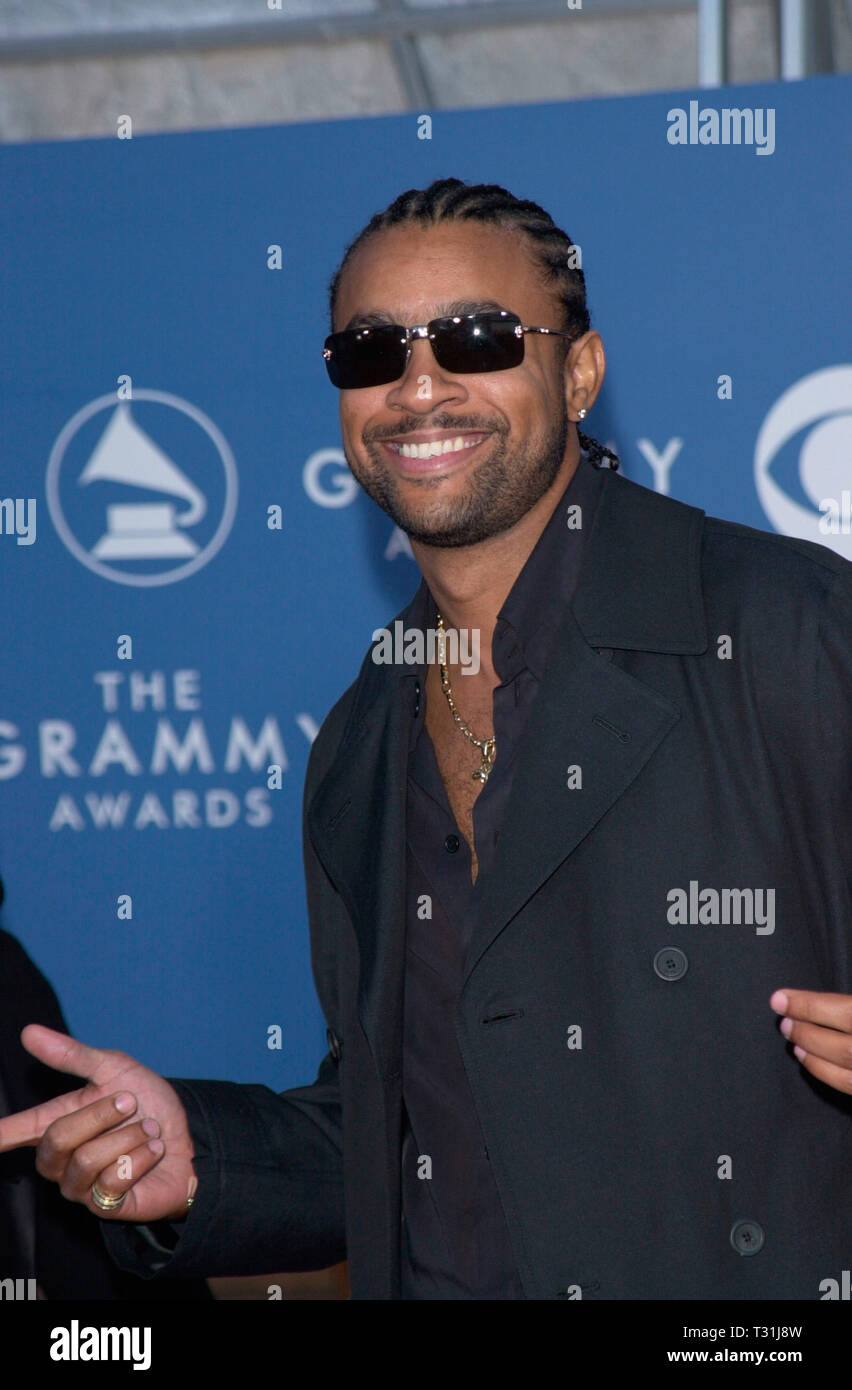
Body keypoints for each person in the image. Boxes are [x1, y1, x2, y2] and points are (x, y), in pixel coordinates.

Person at [0, 178, 849, 1300]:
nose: (418, 385)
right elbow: (403, 1129)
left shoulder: (782, 624)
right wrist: (198, 1156)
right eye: (370, 351)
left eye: (477, 338)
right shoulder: (362, 738)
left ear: (581, 371)